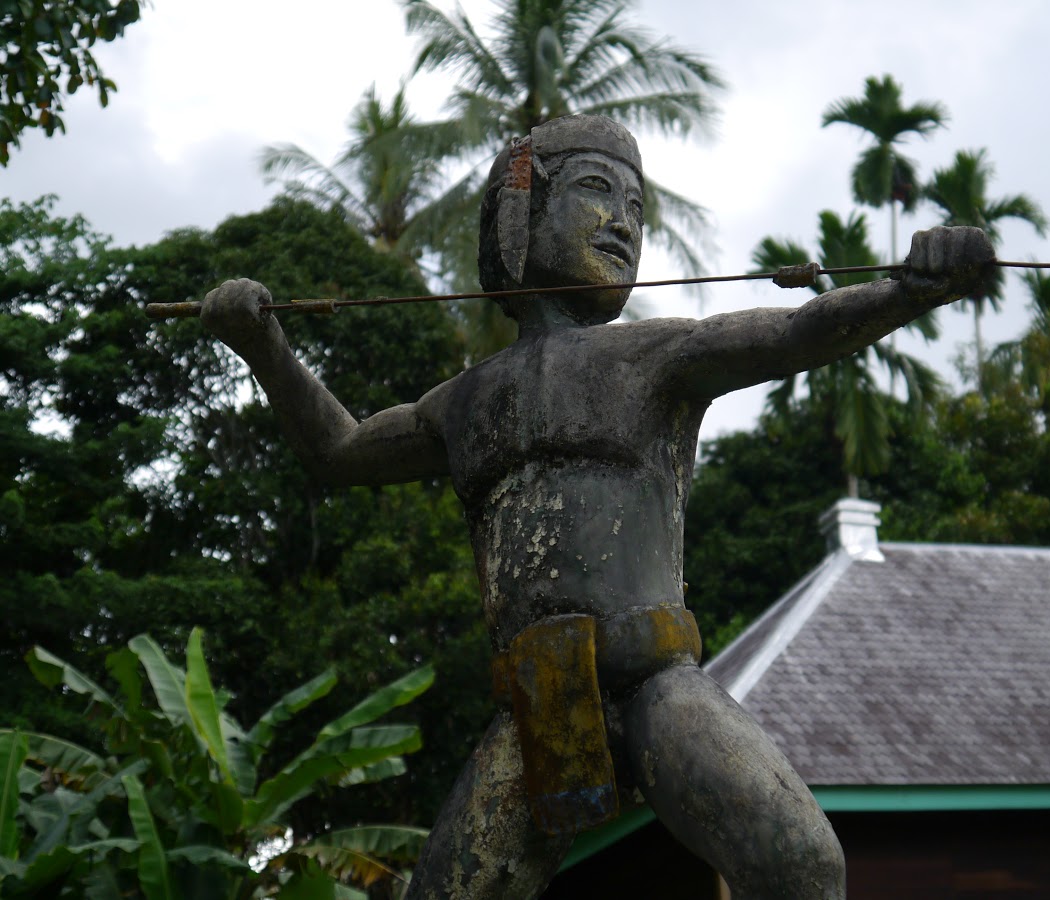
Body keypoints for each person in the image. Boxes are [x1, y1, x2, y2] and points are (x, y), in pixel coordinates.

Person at [201, 114, 993, 899]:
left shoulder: (655, 355)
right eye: (595, 191)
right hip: (535, 704)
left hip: (653, 680)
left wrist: (911, 288)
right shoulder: (462, 403)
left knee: (801, 865)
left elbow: (795, 332)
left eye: (637, 208)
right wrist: (264, 348)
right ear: (522, 213)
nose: (623, 223)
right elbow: (338, 451)